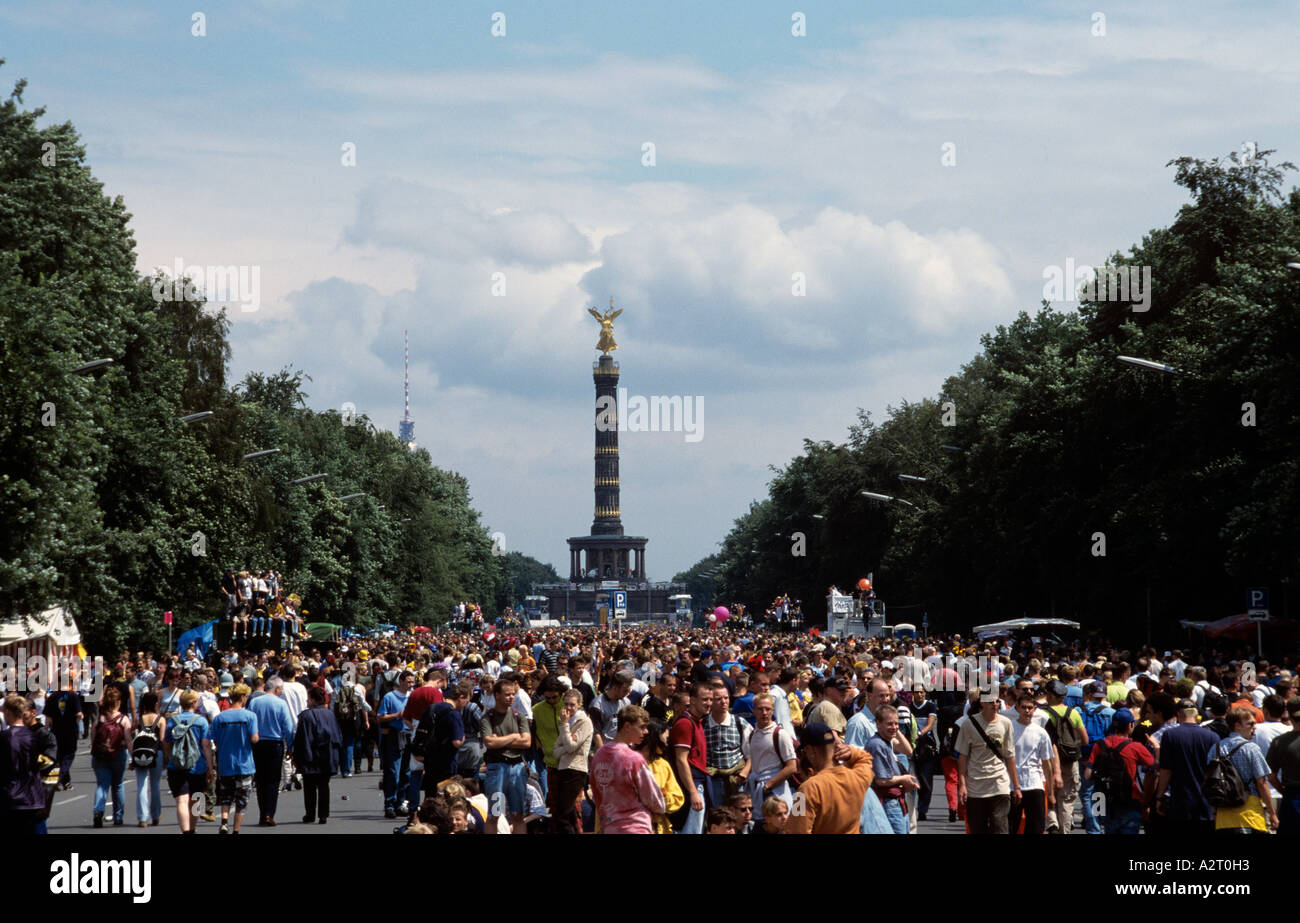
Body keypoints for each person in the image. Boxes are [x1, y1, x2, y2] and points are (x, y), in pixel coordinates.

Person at [783, 722, 875, 834]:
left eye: (803, 752)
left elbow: (796, 831)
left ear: (811, 750)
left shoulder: (806, 790)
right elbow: (866, 759)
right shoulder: (858, 776)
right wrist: (851, 752)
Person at [589, 705, 666, 834]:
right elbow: (654, 800)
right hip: (636, 826)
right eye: (642, 727)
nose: (646, 732)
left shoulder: (599, 755)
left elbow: (597, 795)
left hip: (610, 826)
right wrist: (662, 805)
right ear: (627, 726)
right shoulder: (634, 759)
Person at [955, 693, 1019, 834]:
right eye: (990, 702)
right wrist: (962, 785)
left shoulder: (1006, 723)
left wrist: (1016, 786)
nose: (994, 704)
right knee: (977, 828)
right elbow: (963, 756)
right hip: (976, 786)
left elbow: (1009, 756)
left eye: (997, 701)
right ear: (982, 703)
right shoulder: (969, 724)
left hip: (999, 783)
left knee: (1000, 827)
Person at [1153, 699, 1218, 835]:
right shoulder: (1212, 737)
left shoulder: (1170, 735)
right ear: (1196, 714)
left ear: (1178, 714)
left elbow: (1166, 771)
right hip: (1205, 803)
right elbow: (1215, 772)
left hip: (1180, 803)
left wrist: (1159, 797)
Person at [1211, 707, 1278, 835]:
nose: (1255, 727)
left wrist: (1214, 811)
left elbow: (1211, 781)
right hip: (1249, 813)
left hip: (1223, 815)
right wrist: (1272, 813)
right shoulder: (1251, 749)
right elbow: (1262, 783)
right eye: (1250, 723)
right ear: (1237, 726)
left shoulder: (1216, 748)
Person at [1085, 708, 1152, 834]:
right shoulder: (1135, 746)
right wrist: (1157, 748)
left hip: (1106, 801)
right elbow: (1155, 766)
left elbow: (1088, 775)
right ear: (1130, 725)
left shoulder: (1100, 745)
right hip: (1130, 799)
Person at [481, 676, 531, 834]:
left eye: (513, 694)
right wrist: (514, 737)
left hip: (517, 768)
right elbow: (489, 743)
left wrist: (500, 741)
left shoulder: (518, 716)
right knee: (494, 813)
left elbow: (526, 742)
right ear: (497, 695)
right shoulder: (487, 717)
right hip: (496, 769)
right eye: (507, 694)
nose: (511, 697)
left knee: (518, 814)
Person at [208, 683, 259, 834]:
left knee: (226, 796)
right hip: (244, 764)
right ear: (243, 697)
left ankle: (224, 822)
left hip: (225, 763)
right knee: (242, 801)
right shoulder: (250, 716)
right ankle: (236, 830)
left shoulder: (220, 717)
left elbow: (214, 740)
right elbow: (255, 738)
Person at [163, 690, 215, 834]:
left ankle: (185, 831)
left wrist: (169, 758)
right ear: (193, 703)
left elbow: (166, 742)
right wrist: (210, 768)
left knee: (181, 801)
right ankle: (192, 828)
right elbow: (206, 746)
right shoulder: (201, 721)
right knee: (196, 799)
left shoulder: (173, 720)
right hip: (197, 766)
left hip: (177, 766)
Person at [247, 675, 295, 826]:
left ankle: (263, 814)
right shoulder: (281, 704)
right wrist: (291, 746)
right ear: (277, 688)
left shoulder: (254, 702)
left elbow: (249, 722)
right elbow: (288, 727)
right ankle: (269, 813)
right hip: (275, 744)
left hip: (258, 743)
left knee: (260, 780)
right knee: (273, 780)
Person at [864, 705, 918, 834]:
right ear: (878, 724)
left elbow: (908, 751)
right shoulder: (877, 745)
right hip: (889, 804)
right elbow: (882, 780)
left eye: (896, 723)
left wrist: (896, 731)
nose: (894, 726)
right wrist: (904, 779)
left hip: (897, 803)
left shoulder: (887, 741)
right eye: (889, 724)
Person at [293, 685, 342, 824]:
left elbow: (301, 739)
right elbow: (337, 736)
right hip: (328, 754)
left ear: (313, 700)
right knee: (324, 785)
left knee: (309, 786)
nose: (307, 701)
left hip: (311, 755)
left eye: (308, 699)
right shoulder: (330, 714)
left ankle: (310, 814)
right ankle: (323, 814)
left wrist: (297, 757)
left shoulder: (306, 715)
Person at [1009, 694, 1055, 835]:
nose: (1027, 711)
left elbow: (1047, 764)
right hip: (1012, 786)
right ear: (1017, 708)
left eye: (1030, 708)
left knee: (1036, 828)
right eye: (1023, 707)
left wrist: (1051, 793)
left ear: (1034, 709)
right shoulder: (1009, 729)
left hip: (1035, 785)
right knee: (1011, 827)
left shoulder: (1041, 733)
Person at [670, 682, 712, 834]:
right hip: (691, 785)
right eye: (704, 699)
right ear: (693, 700)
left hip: (699, 783)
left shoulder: (697, 722)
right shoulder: (685, 724)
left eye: (710, 700)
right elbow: (681, 760)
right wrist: (693, 792)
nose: (709, 703)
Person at [0, 695, 45, 836]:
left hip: (10, 797)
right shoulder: (35, 736)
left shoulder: (4, 738)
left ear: (7, 712)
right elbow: (46, 763)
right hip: (33, 796)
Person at [745, 692, 798, 810]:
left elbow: (791, 766)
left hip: (777, 792)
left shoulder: (780, 734)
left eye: (768, 709)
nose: (764, 713)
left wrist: (768, 785)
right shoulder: (753, 734)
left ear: (773, 710)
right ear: (754, 710)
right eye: (760, 709)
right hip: (758, 789)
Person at [90, 685, 132, 827]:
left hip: (100, 755)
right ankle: (118, 816)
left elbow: (93, 736)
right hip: (119, 753)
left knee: (102, 784)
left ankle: (98, 811)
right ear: (119, 702)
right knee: (118, 785)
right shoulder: (123, 719)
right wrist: (132, 757)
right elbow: (128, 740)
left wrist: (94, 749)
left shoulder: (100, 718)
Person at [552, 688, 593, 834]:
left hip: (576, 769)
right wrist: (567, 744)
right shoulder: (569, 722)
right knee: (568, 813)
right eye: (566, 704)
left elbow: (569, 747)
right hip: (563, 768)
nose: (568, 708)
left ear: (579, 705)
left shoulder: (584, 722)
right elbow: (556, 751)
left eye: (572, 705)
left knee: (564, 812)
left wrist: (565, 728)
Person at [636, 718, 684, 834]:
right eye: (665, 738)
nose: (667, 743)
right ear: (655, 737)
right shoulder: (628, 761)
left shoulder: (662, 765)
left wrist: (662, 798)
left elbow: (677, 798)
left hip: (657, 827)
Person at [379, 670, 414, 819]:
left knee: (407, 772)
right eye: (408, 682)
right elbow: (381, 717)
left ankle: (401, 803)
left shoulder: (412, 696)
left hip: (409, 736)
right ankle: (390, 804)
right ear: (401, 681)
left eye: (412, 682)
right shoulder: (389, 697)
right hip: (394, 736)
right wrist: (397, 715)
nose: (411, 685)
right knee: (394, 771)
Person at [1266, 696, 1300, 835]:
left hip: (1291, 798)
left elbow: (1271, 775)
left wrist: (1283, 791)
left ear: (1289, 715)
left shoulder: (1279, 742)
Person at [132, 691, 166, 827]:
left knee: (141, 785)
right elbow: (162, 739)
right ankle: (156, 815)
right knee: (155, 785)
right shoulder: (161, 720)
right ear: (156, 703)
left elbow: (133, 734)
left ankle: (142, 817)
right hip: (156, 752)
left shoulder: (140, 719)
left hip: (140, 753)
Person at [43, 682, 82, 791]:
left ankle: (66, 781)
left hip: (57, 730)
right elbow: (79, 714)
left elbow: (48, 718)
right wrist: (77, 723)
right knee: (69, 755)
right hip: (71, 730)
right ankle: (59, 778)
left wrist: (47, 730)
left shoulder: (52, 697)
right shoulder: (73, 695)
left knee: (60, 755)